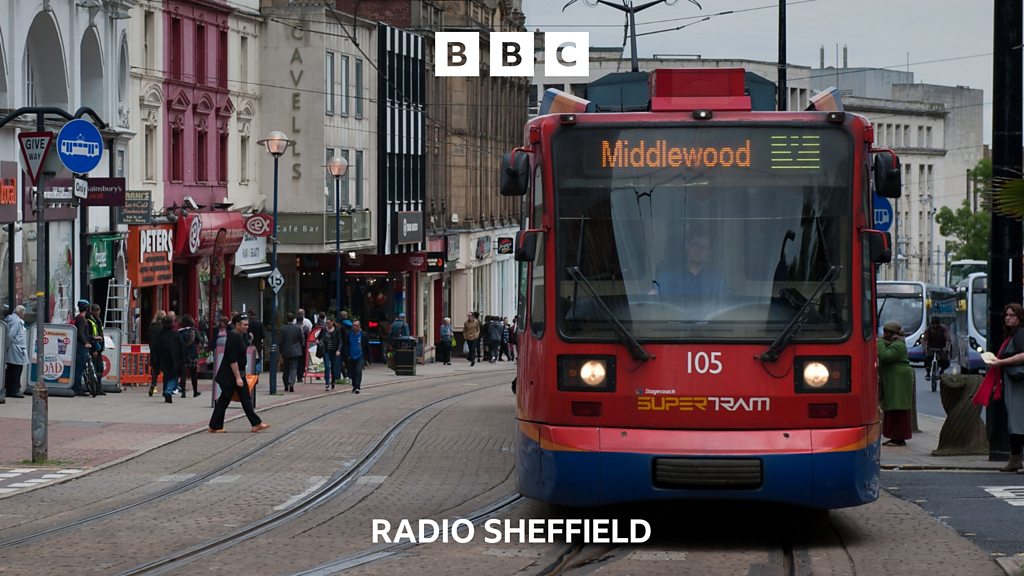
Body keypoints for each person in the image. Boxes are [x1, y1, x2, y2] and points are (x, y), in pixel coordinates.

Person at [209, 314, 269, 433]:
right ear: (237, 325)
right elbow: (232, 360)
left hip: (236, 374)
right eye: (245, 325)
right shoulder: (233, 337)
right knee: (229, 399)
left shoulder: (241, 336)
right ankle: (255, 423)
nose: (247, 327)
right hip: (231, 375)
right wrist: (238, 378)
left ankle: (215, 425)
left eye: (248, 324)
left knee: (238, 399)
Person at [987, 303, 1024, 472]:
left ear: (1020, 317)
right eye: (1006, 315)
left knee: (1018, 421)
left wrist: (1002, 362)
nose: (1008, 318)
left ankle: (1016, 459)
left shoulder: (1020, 333)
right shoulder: (1013, 334)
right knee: (1015, 422)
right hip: (1013, 382)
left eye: (1012, 315)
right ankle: (1015, 459)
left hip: (1019, 382)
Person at [653, 224, 727, 298]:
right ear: (687, 246)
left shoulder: (717, 279)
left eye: (703, 247)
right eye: (695, 245)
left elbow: (724, 304)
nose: (699, 250)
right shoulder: (667, 277)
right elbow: (657, 304)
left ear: (709, 252)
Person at [878, 320, 914, 447]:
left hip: (897, 379)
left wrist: (880, 344)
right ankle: (894, 436)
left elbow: (885, 356)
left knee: (897, 407)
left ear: (892, 333)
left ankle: (898, 437)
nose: (884, 335)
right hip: (894, 378)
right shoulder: (894, 344)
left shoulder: (898, 345)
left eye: (886, 332)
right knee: (893, 406)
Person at [153, 316, 184, 403]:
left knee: (166, 375)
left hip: (162, 357)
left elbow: (154, 347)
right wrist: (184, 358)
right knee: (174, 376)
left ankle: (165, 390)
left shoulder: (159, 335)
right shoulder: (175, 335)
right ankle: (168, 390)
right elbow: (181, 347)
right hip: (174, 358)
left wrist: (154, 359)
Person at [4, 305, 28, 399]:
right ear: (20, 312)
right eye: (24, 312)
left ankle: (11, 389)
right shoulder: (16, 321)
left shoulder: (14, 320)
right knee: (16, 370)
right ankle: (14, 390)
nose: (24, 314)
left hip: (16, 349)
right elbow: (10, 335)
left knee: (12, 369)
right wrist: (7, 347)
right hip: (16, 349)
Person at [278, 312, 305, 392]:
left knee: (286, 368)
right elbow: (301, 339)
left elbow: (281, 341)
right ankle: (291, 383)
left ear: (286, 319)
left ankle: (286, 384)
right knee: (293, 368)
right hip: (295, 351)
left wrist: (280, 351)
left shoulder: (283, 328)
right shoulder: (297, 328)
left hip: (286, 351)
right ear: (294, 319)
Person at [72, 299, 93, 397]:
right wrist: (86, 343)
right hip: (80, 347)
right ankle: (77, 388)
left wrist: (93, 338)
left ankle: (77, 387)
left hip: (79, 345)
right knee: (79, 368)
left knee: (80, 368)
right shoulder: (82, 319)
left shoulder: (78, 318)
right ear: (87, 308)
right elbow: (81, 334)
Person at [177, 314, 201, 398]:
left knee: (182, 374)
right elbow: (198, 340)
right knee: (193, 373)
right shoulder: (194, 330)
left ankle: (183, 392)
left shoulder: (179, 332)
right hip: (192, 354)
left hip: (182, 354)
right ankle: (195, 391)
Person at [344, 320, 371, 394]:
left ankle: (357, 387)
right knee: (352, 372)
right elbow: (346, 345)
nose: (354, 327)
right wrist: (346, 355)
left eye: (356, 325)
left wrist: (368, 360)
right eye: (353, 325)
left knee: (358, 371)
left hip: (360, 356)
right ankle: (354, 385)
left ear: (359, 326)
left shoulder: (363, 335)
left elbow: (367, 347)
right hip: (351, 356)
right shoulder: (349, 334)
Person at [923, 316, 952, 381]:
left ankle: (941, 371)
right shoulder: (928, 329)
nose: (935, 326)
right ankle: (928, 373)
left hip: (941, 347)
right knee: (928, 358)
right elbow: (924, 339)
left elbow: (947, 339)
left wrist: (946, 348)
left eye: (936, 324)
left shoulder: (943, 328)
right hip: (931, 347)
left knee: (945, 361)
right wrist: (925, 347)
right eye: (933, 324)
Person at [317, 317, 342, 391]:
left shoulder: (337, 330)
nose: (327, 324)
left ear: (332, 322)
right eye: (326, 323)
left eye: (328, 323)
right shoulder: (324, 329)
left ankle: (333, 382)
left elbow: (340, 341)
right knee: (327, 367)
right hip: (326, 350)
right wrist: (317, 341)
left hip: (334, 351)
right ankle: (327, 383)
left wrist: (338, 350)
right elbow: (319, 337)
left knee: (333, 367)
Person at [86, 304, 106, 395]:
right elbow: (90, 336)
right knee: (94, 369)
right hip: (94, 349)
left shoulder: (98, 320)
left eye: (98, 310)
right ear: (92, 311)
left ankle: (99, 388)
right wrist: (94, 349)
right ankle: (95, 387)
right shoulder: (90, 321)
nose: (97, 312)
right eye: (95, 310)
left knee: (100, 369)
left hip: (99, 348)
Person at [147, 311, 166, 397]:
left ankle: (153, 385)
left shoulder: (151, 326)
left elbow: (149, 337)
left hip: (154, 350)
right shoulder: (163, 327)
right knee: (165, 370)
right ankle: (165, 389)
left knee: (155, 370)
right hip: (162, 350)